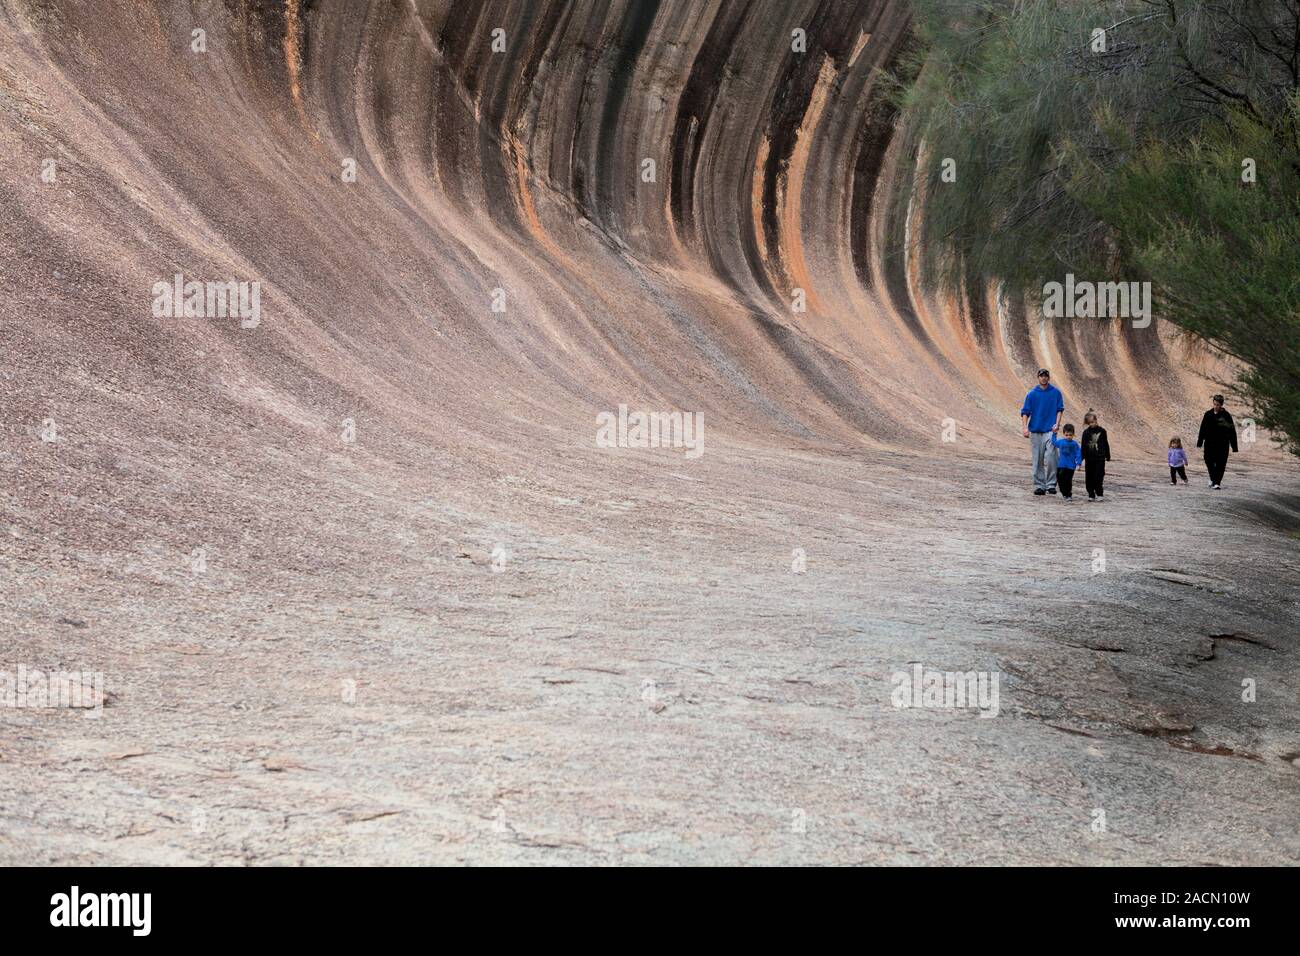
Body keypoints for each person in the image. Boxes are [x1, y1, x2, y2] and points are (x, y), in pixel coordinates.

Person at [1020, 368, 1065, 495]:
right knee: (1037, 459)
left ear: (1048, 377)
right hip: (1035, 430)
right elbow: (1025, 412)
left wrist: (1057, 424)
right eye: (1041, 376)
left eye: (1045, 376)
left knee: (1052, 456)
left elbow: (1059, 409)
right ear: (1038, 378)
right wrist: (1025, 428)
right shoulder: (1032, 394)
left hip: (1050, 430)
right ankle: (1040, 485)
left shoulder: (1056, 393)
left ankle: (1051, 484)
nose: (1043, 378)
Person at [1195, 394, 1238, 489]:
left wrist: (1234, 446)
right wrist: (1200, 442)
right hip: (1209, 443)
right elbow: (1202, 429)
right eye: (1214, 404)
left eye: (1218, 405)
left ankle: (1217, 482)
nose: (1216, 406)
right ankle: (1212, 477)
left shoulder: (1226, 416)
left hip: (1222, 444)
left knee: (1221, 463)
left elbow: (1232, 431)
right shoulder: (1208, 414)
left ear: (1221, 405)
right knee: (1208, 460)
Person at [1080, 410, 1110, 501]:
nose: (1093, 424)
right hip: (1089, 459)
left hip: (1100, 458)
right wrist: (1081, 458)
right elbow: (1083, 445)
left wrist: (1108, 455)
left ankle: (1099, 494)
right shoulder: (1086, 433)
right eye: (1090, 423)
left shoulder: (1102, 431)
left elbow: (1105, 443)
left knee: (1099, 476)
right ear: (1087, 423)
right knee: (1089, 477)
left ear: (1096, 420)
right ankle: (1091, 494)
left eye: (1094, 422)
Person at [1049, 423, 1082, 501]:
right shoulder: (1061, 442)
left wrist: (1079, 463)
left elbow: (1078, 453)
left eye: (1070, 435)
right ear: (1064, 434)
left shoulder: (1075, 444)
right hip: (1061, 465)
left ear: (1073, 434)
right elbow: (1054, 442)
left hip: (1070, 467)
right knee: (1060, 479)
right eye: (1066, 435)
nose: (1068, 437)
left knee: (1068, 481)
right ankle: (1064, 493)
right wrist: (1054, 433)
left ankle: (1068, 495)